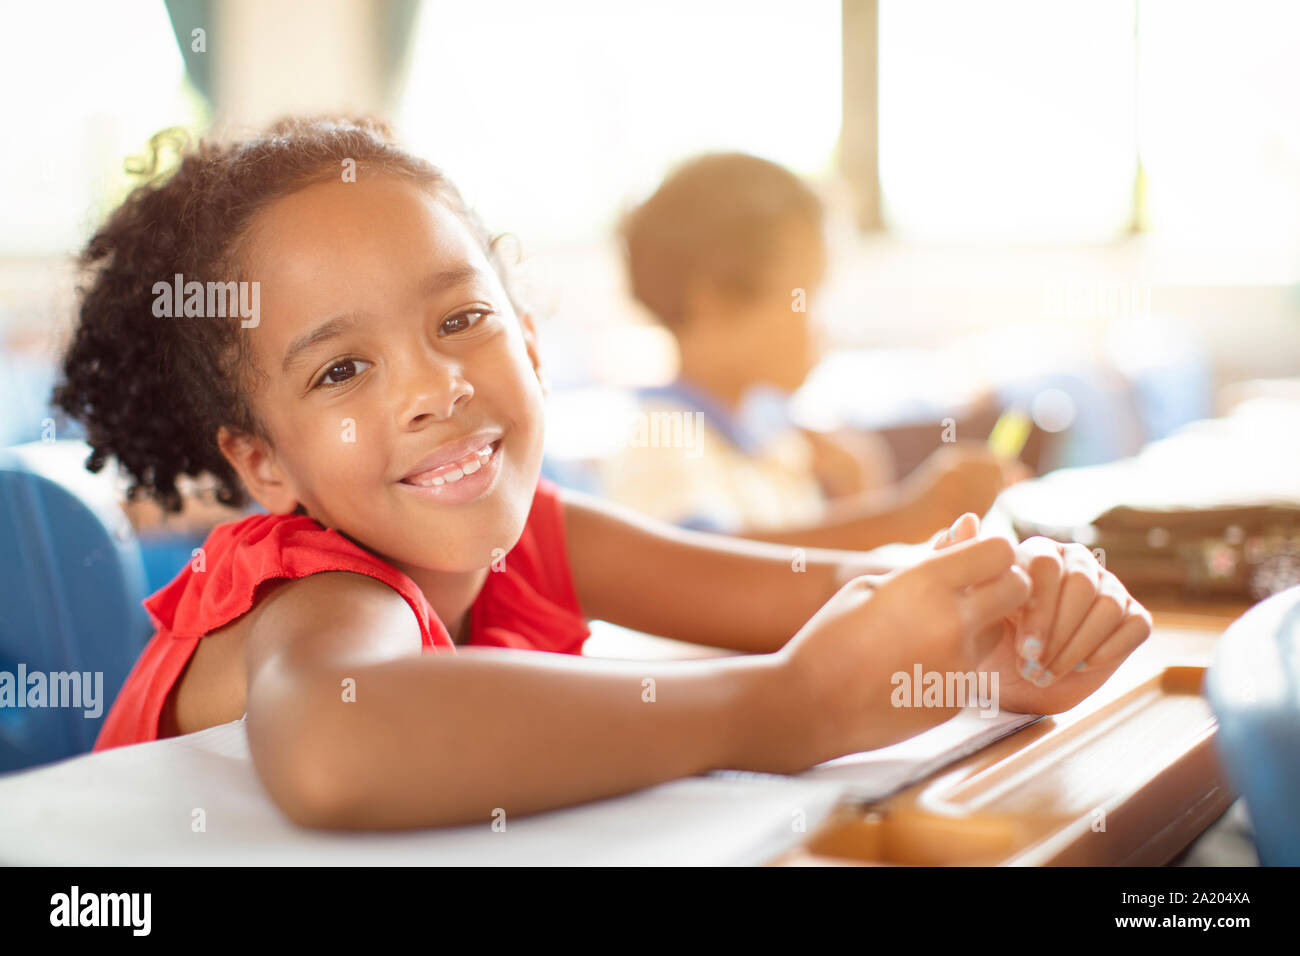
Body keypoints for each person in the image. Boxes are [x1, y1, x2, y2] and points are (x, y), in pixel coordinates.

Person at [55, 118, 1149, 830]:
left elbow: (799, 590)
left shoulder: (526, 527)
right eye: (343, 368)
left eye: (462, 318)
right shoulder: (311, 587)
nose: (431, 387)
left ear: (529, 341)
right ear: (261, 459)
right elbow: (337, 743)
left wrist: (999, 620)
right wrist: (786, 706)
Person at [609, 152, 1028, 548]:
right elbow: (700, 575)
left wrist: (861, 492)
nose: (824, 326)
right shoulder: (662, 442)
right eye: (806, 296)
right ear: (712, 302)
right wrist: (899, 519)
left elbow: (823, 584)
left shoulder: (778, 435)